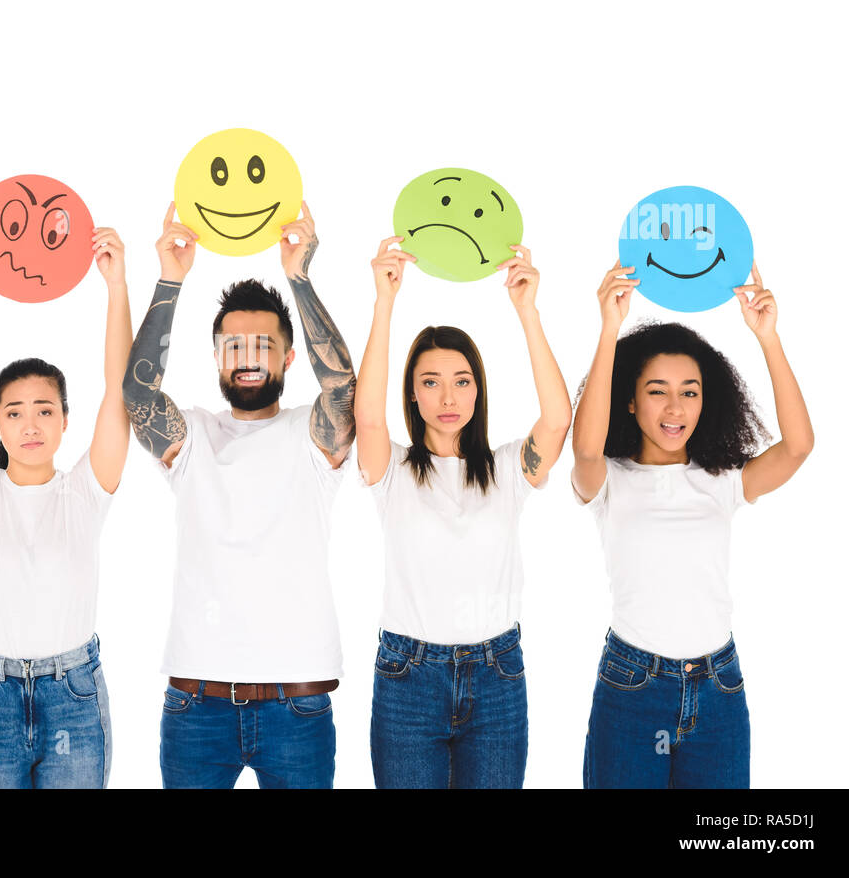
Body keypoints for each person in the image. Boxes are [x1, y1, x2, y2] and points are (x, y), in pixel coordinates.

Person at [123, 201, 356, 789]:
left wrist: (299, 277)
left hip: (296, 709)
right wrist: (170, 279)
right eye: (232, 346)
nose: (247, 357)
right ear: (217, 357)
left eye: (262, 345)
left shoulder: (312, 435)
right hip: (196, 709)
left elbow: (345, 388)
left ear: (287, 356)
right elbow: (138, 396)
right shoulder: (195, 435)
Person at [571, 260, 813, 788]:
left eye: (690, 391)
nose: (675, 406)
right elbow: (584, 445)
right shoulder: (608, 479)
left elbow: (797, 447)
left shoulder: (722, 480)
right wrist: (609, 327)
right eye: (657, 390)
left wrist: (768, 338)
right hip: (633, 687)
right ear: (630, 402)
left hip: (718, 689)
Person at [355, 237, 571, 788]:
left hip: (497, 676)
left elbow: (557, 420)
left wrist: (527, 311)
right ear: (413, 397)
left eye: (461, 380)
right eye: (430, 382)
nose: (447, 396)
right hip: (409, 678)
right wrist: (384, 304)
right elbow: (369, 420)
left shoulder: (505, 471)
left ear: (478, 391)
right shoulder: (394, 470)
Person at [0, 215, 131, 788]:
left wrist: (116, 288)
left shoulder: (84, 492)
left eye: (45, 410)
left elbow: (121, 394)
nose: (30, 424)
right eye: (14, 412)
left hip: (72, 692)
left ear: (66, 421)